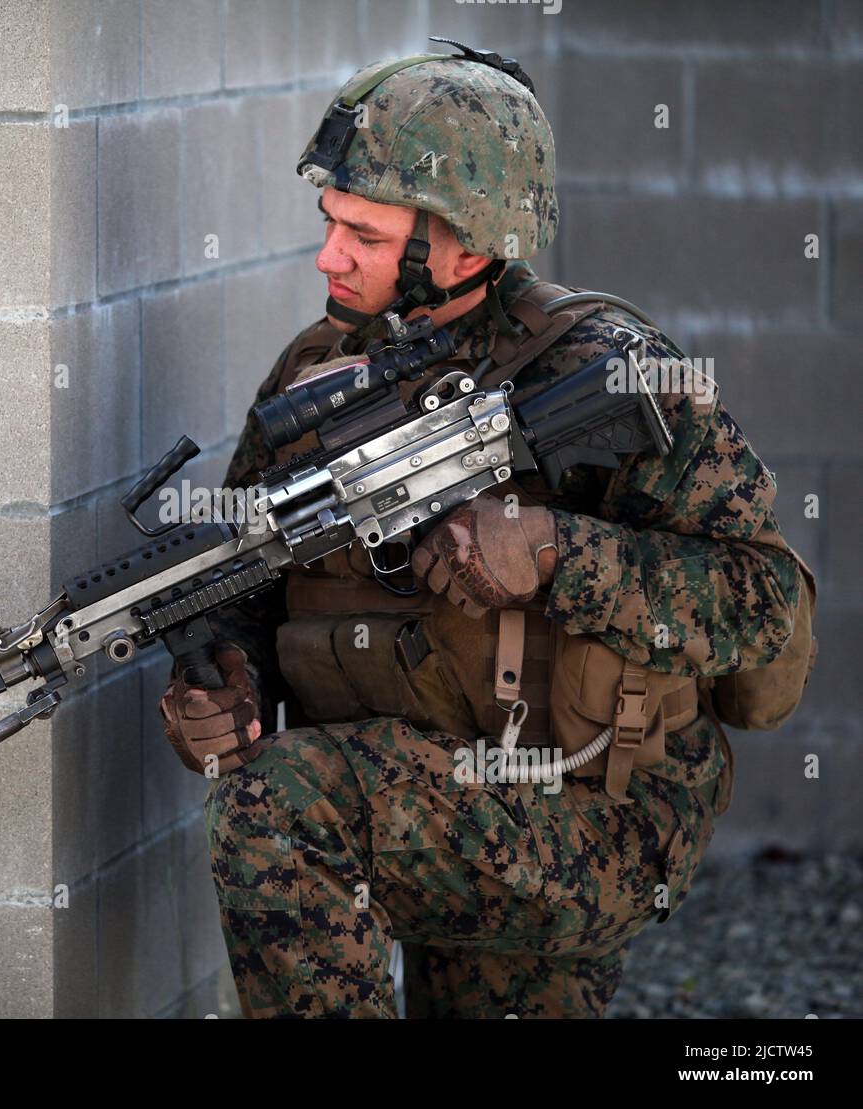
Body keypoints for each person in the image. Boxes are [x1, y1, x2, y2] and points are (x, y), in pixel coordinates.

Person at [158, 41, 802, 1018]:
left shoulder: (607, 375)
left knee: (282, 802)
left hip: (587, 809)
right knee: (272, 787)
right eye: (329, 224)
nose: (328, 257)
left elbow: (765, 607)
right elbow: (253, 577)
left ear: (464, 243)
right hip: (412, 769)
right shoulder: (317, 379)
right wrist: (224, 683)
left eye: (363, 235)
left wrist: (557, 552)